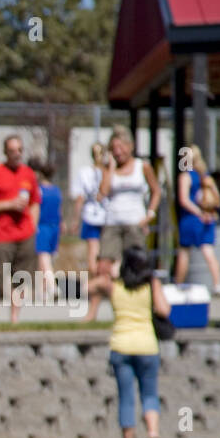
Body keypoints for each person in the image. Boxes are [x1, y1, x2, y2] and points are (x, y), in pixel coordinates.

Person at [85, 246, 171, 438]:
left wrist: (111, 272)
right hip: (147, 346)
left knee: (126, 399)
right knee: (149, 395)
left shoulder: (114, 286)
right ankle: (153, 434)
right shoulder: (151, 284)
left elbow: (83, 288)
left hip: (121, 346)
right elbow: (164, 310)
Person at [84, 126, 161, 322]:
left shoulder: (142, 166)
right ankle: (92, 313)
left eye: (120, 147)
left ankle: (133, 312)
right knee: (102, 268)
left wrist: (150, 214)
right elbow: (102, 193)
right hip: (112, 223)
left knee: (135, 268)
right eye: (114, 148)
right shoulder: (110, 169)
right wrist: (109, 168)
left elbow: (156, 191)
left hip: (134, 223)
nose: (118, 151)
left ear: (130, 146)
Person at [0, 135, 40, 324]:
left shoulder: (28, 174)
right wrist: (9, 204)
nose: (16, 154)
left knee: (21, 278)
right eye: (12, 151)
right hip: (1, 234)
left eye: (19, 150)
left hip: (24, 234)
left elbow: (35, 202)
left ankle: (14, 318)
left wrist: (33, 225)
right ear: (5, 152)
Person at [173, 145, 220, 295]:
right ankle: (217, 284)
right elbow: (216, 198)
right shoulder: (205, 176)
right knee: (208, 251)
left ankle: (178, 285)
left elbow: (184, 200)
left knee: (184, 252)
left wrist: (199, 212)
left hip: (192, 218)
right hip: (208, 218)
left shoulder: (186, 176)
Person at [29, 157, 64, 305]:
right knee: (44, 260)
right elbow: (59, 210)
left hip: (42, 226)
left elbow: (34, 209)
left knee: (44, 259)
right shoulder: (56, 191)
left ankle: (52, 287)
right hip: (55, 227)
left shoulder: (39, 190)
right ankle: (42, 292)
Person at [71, 143, 107, 275]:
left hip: (104, 216)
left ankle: (99, 278)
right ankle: (97, 279)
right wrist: (76, 219)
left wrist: (75, 219)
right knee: (97, 251)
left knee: (97, 251)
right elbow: (80, 198)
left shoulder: (108, 172)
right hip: (94, 215)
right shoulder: (86, 172)